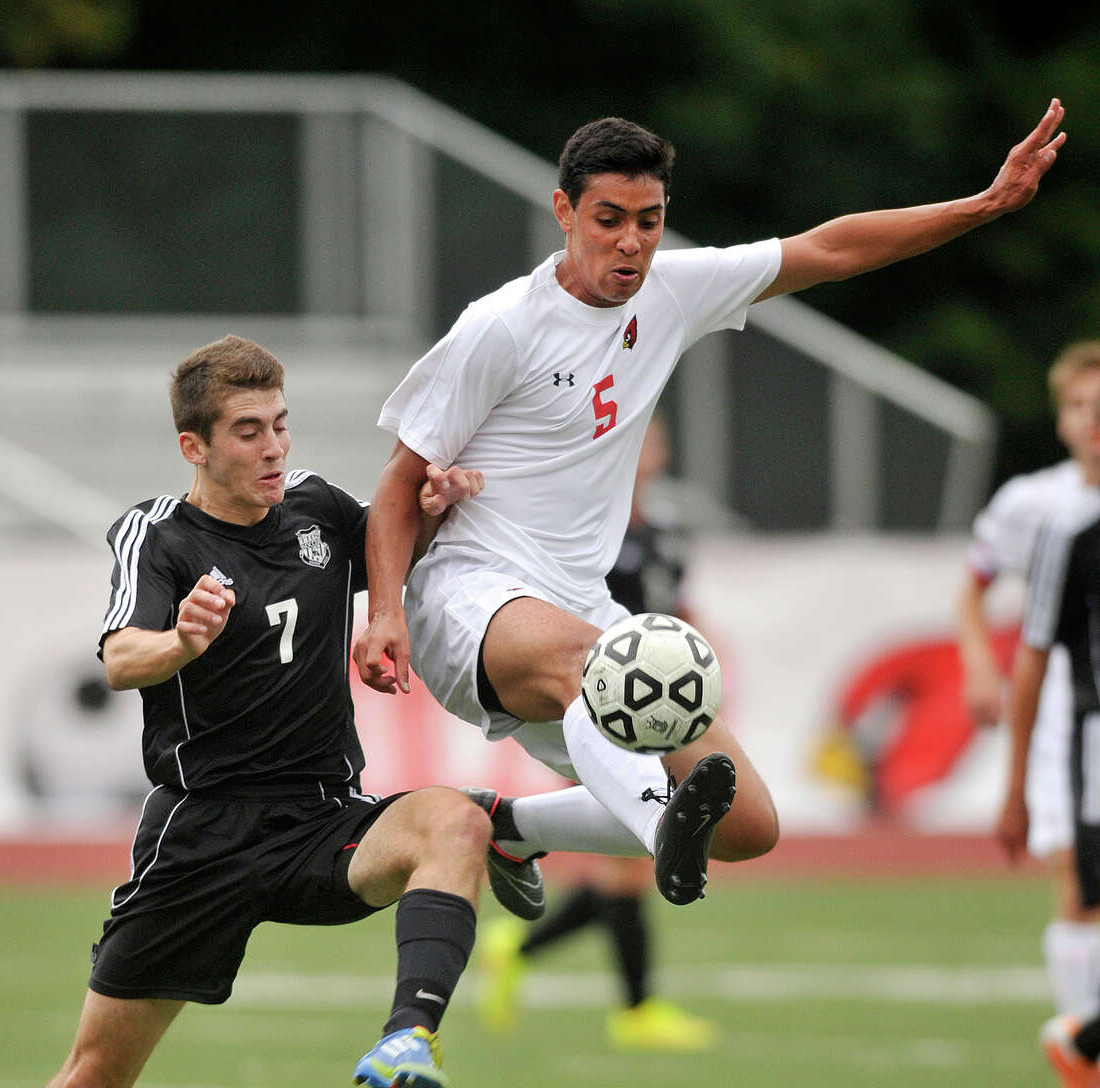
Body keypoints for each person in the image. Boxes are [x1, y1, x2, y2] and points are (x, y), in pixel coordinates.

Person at [0, 334, 506, 1088]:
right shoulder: (158, 536)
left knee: (454, 822)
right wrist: (182, 643)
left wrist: (445, 502)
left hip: (321, 820)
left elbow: (402, 537)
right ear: (195, 444)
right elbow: (118, 658)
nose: (275, 446)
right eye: (249, 431)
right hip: (199, 841)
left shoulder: (323, 514)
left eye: (281, 423)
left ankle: (409, 1038)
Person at [353, 106, 1066, 909]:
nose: (631, 242)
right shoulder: (502, 327)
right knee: (593, 673)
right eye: (609, 219)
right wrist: (386, 613)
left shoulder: (673, 292)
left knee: (747, 826)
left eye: (649, 221)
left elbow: (830, 250)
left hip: (580, 612)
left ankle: (509, 826)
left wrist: (981, 205)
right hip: (471, 600)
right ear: (564, 212)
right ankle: (662, 830)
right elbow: (397, 479)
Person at [479, 414, 718, 1051]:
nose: (653, 450)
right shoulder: (589, 531)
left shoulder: (665, 532)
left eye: (659, 438)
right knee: (640, 859)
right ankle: (636, 1010)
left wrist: (699, 698)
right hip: (600, 711)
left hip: (662, 715)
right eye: (643, 438)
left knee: (635, 861)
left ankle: (522, 950)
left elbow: (681, 618)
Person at [957, 343, 1100, 1028]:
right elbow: (973, 587)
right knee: (1075, 871)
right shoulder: (1035, 503)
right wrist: (980, 664)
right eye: (1078, 406)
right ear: (1060, 417)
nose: (1092, 420)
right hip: (1068, 728)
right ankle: (1080, 1046)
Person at [995, 380, 1100, 1088]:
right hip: (1095, 742)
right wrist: (1015, 784)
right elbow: (1032, 659)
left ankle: (1083, 1040)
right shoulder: (1067, 530)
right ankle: (1083, 1044)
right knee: (1081, 898)